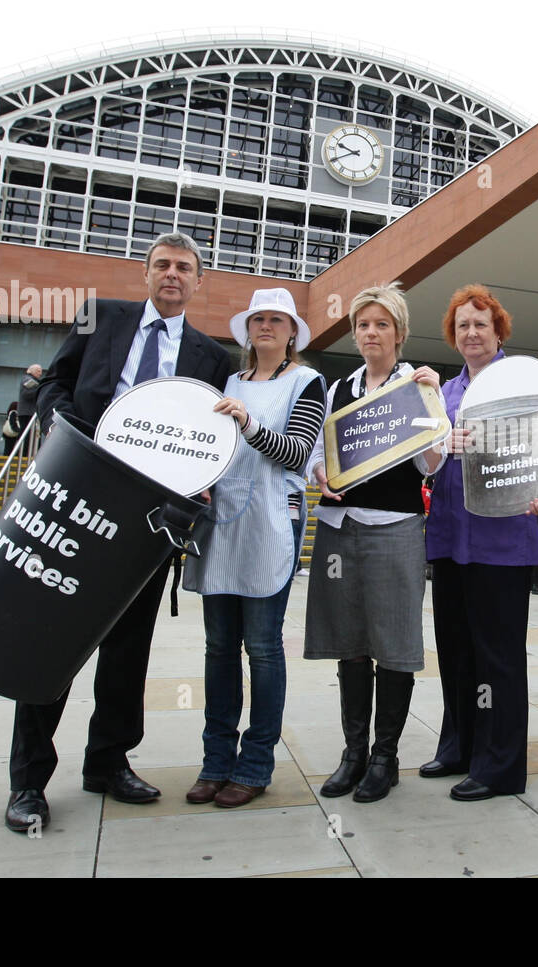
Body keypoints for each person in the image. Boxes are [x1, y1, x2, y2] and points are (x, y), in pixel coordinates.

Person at [6, 231, 232, 833]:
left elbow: (210, 441)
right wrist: (63, 433)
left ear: (198, 280)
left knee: (128, 646)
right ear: (145, 272)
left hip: (147, 519)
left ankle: (107, 760)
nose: (173, 275)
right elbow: (53, 382)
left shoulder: (212, 359)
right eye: (163, 265)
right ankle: (29, 780)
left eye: (185, 268)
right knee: (53, 637)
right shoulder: (98, 317)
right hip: (78, 499)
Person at [182, 289, 326, 808]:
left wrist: (246, 421)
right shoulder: (225, 383)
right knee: (219, 649)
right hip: (221, 524)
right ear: (248, 329)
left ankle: (255, 763)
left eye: (277, 319)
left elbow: (293, 452)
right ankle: (214, 762)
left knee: (262, 649)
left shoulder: (307, 383)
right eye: (258, 318)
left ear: (292, 331)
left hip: (271, 520)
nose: (266, 326)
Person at [304, 283, 445, 803]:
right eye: (363, 324)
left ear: (400, 333)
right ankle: (353, 753)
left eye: (381, 324)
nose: (370, 332)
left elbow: (431, 466)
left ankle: (385, 757)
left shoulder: (414, 386)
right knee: (350, 644)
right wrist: (323, 473)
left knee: (395, 645)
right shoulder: (339, 388)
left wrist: (430, 405)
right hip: (341, 529)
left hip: (394, 527)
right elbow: (319, 453)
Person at [418, 284, 538, 801]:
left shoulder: (522, 385)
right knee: (455, 650)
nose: (472, 333)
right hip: (451, 538)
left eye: (481, 324)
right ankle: (460, 745)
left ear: (499, 332)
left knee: (499, 657)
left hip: (501, 541)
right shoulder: (444, 393)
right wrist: (437, 440)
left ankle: (500, 765)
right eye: (463, 325)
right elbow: (426, 464)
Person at [16, 364, 43, 436]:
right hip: (27, 413)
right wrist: (40, 391)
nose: (40, 373)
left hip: (28, 412)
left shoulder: (30, 380)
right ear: (32, 371)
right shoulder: (28, 379)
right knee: (27, 435)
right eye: (38, 371)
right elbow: (26, 394)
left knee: (30, 435)